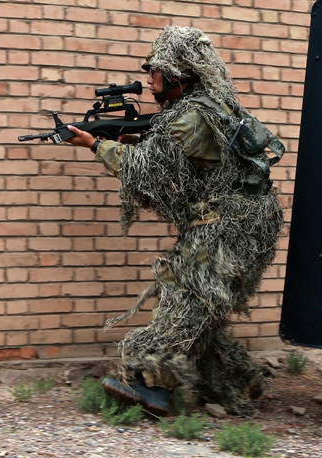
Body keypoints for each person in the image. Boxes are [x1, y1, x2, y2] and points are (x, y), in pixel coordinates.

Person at [63, 25, 285, 416]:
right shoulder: (206, 105)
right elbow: (173, 157)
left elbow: (147, 171)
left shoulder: (190, 118)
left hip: (228, 224)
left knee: (185, 299)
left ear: (178, 74)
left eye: (155, 71)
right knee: (202, 309)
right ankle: (236, 381)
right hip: (239, 219)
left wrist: (96, 144)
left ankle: (151, 386)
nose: (149, 79)